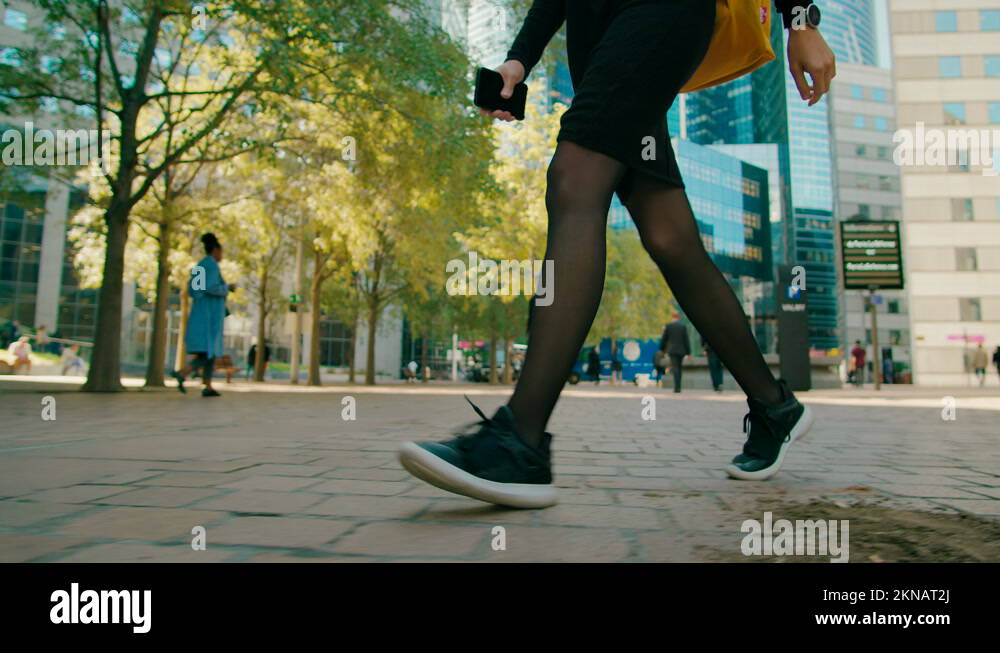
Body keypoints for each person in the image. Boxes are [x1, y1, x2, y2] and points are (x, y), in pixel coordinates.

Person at [398, 0, 830, 507]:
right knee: (670, 237)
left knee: (575, 176)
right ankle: (775, 407)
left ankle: (520, 441)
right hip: (602, 37)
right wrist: (519, 60)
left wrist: (799, 22)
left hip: (663, 15)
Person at [171, 233, 234, 397]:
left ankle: (207, 385)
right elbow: (211, 287)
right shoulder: (211, 265)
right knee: (209, 351)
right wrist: (228, 288)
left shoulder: (200, 265)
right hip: (209, 315)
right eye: (221, 251)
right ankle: (184, 373)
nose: (222, 255)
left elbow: (195, 290)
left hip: (200, 312)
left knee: (208, 352)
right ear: (215, 250)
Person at [661, 312, 691, 393]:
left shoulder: (669, 326)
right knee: (679, 368)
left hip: (672, 350)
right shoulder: (683, 326)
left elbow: (664, 339)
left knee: (675, 368)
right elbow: (686, 340)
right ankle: (679, 386)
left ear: (672, 317)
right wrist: (689, 353)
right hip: (681, 351)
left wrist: (662, 350)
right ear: (679, 317)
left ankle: (676, 387)